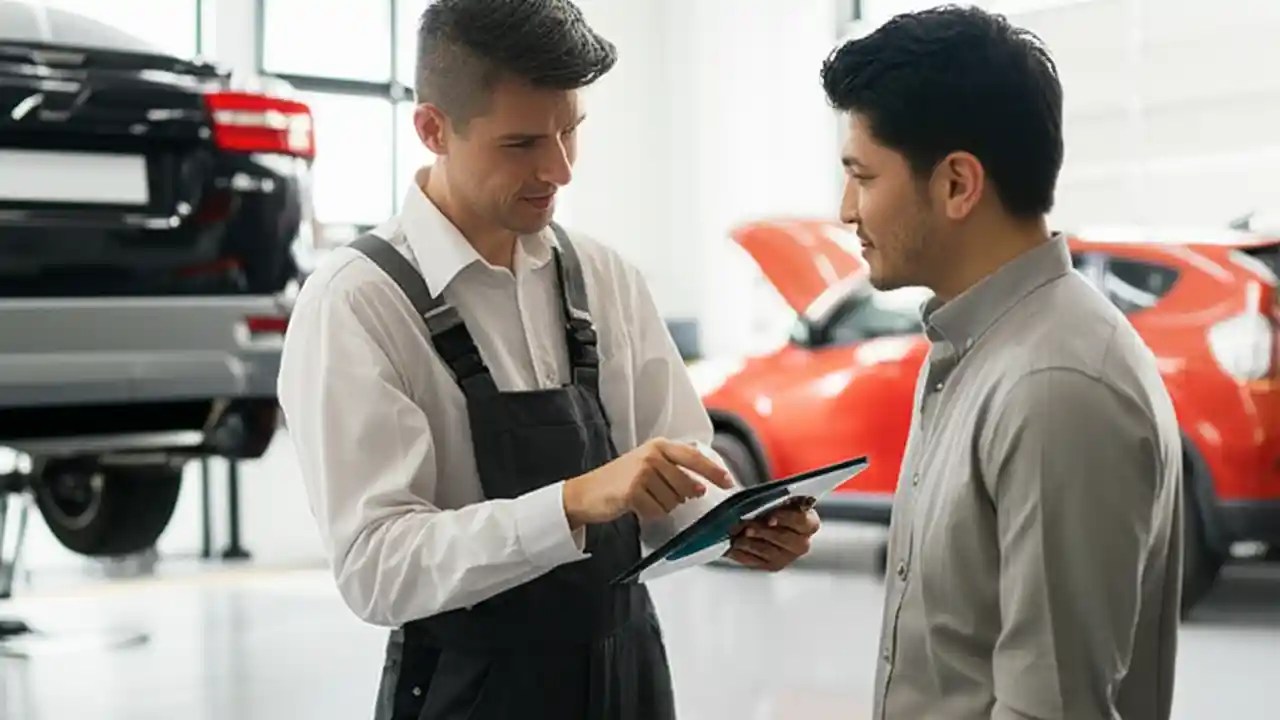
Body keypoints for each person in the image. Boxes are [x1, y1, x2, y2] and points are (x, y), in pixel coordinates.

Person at [277, 1, 821, 719]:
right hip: (468, 693)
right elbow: (377, 568)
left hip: (629, 676)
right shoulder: (357, 305)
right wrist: (570, 503)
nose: (558, 170)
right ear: (432, 129)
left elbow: (672, 474)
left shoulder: (604, 276)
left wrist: (732, 525)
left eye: (571, 132)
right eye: (522, 143)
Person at [819, 6, 1182, 720]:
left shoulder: (1055, 387)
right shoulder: (976, 345)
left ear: (957, 184)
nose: (845, 209)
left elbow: (1049, 708)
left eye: (863, 176)